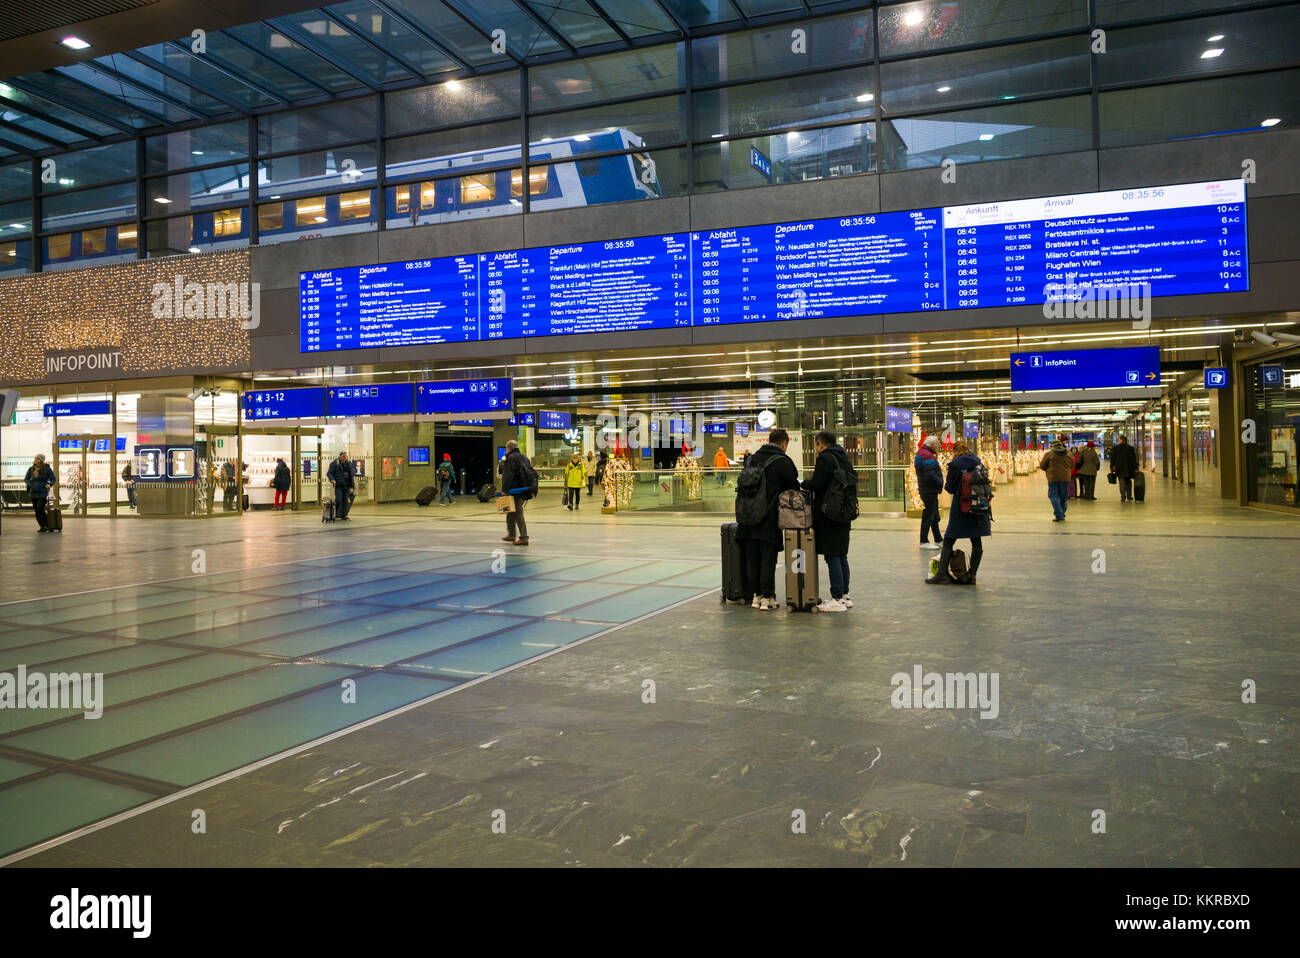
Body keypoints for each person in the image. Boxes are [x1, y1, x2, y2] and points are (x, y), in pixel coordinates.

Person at [734, 428, 800, 611]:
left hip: (747, 517)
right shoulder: (782, 462)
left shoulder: (752, 459)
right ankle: (768, 598)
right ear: (784, 443)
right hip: (768, 518)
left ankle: (757, 596)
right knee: (767, 559)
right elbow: (794, 488)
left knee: (752, 558)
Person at [802, 430, 856, 612]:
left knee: (832, 555)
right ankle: (845, 596)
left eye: (816, 445)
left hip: (829, 513)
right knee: (841, 554)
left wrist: (803, 483)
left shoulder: (825, 458)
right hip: (844, 512)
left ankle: (836, 599)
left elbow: (817, 484)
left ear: (821, 444)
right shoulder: (844, 458)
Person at [926, 440, 990, 585]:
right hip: (979, 507)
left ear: (955, 451)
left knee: (949, 538)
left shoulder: (955, 465)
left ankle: (942, 574)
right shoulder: (979, 462)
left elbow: (949, 487)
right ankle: (972, 575)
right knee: (976, 540)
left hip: (961, 506)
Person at [500, 439, 537, 545]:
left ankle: (524, 537)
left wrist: (504, 490)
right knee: (511, 511)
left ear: (509, 448)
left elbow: (508, 475)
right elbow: (531, 472)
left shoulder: (511, 458)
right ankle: (511, 534)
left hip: (514, 490)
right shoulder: (524, 457)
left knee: (518, 513)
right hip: (523, 489)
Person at [914, 435, 943, 550]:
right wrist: (940, 482)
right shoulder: (927, 456)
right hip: (929, 489)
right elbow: (930, 475)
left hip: (926, 489)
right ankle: (923, 541)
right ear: (931, 444)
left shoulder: (922, 453)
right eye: (937, 444)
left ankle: (938, 539)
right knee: (929, 515)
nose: (939, 446)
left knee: (933, 515)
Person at [1039, 434, 1073, 522]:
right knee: (1063, 497)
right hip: (1066, 478)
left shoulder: (1049, 454)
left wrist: (1050, 469)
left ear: (1052, 446)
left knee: (1053, 496)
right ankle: (1061, 512)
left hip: (1053, 478)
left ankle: (1059, 514)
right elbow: (1072, 465)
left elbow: (1042, 466)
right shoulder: (1069, 454)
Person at [25, 454, 56, 533]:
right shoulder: (31, 469)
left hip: (42, 492)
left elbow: (53, 479)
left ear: (41, 460)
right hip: (33, 493)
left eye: (37, 458)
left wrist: (50, 484)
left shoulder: (47, 469)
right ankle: (42, 526)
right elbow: (26, 479)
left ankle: (47, 525)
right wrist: (30, 484)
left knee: (40, 508)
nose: (35, 460)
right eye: (35, 458)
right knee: (36, 510)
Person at [327, 450, 355, 521]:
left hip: (347, 486)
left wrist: (352, 486)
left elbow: (351, 476)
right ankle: (335, 514)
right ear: (340, 456)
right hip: (339, 486)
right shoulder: (334, 464)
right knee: (339, 500)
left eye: (345, 456)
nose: (345, 457)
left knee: (346, 501)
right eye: (343, 456)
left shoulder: (349, 464)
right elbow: (329, 473)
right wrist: (332, 479)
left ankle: (344, 515)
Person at [1110, 434, 1139, 501]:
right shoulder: (1131, 448)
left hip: (1119, 468)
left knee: (1121, 481)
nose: (1118, 441)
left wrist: (1111, 466)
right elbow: (1133, 459)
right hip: (1129, 468)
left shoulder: (1116, 448)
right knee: (1128, 481)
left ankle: (1123, 496)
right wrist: (1136, 467)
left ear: (1121, 440)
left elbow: (1112, 458)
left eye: (1119, 440)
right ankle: (1129, 496)